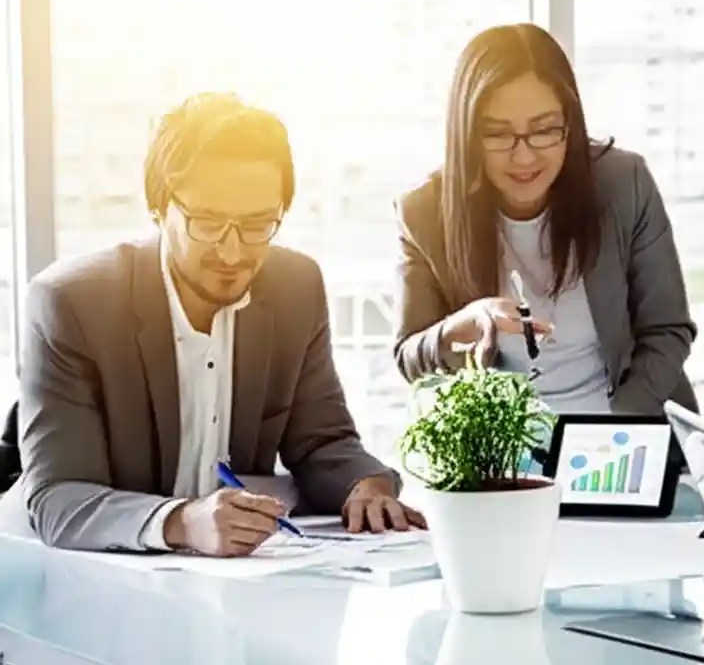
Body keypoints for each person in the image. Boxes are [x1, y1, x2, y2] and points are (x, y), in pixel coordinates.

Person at [13, 92, 422, 556]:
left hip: (233, 578)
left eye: (257, 224)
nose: (233, 253)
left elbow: (322, 441)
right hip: (82, 570)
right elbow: (57, 496)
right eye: (207, 223)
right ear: (158, 208)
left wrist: (363, 485)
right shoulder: (72, 303)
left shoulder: (294, 287)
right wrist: (183, 521)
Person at [394, 23, 697, 415]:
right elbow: (409, 357)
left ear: (570, 124)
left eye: (544, 130)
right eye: (498, 135)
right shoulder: (424, 210)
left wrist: (609, 436)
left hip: (623, 434)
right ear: (466, 135)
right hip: (499, 457)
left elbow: (668, 331)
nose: (524, 157)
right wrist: (460, 325)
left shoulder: (624, 184)